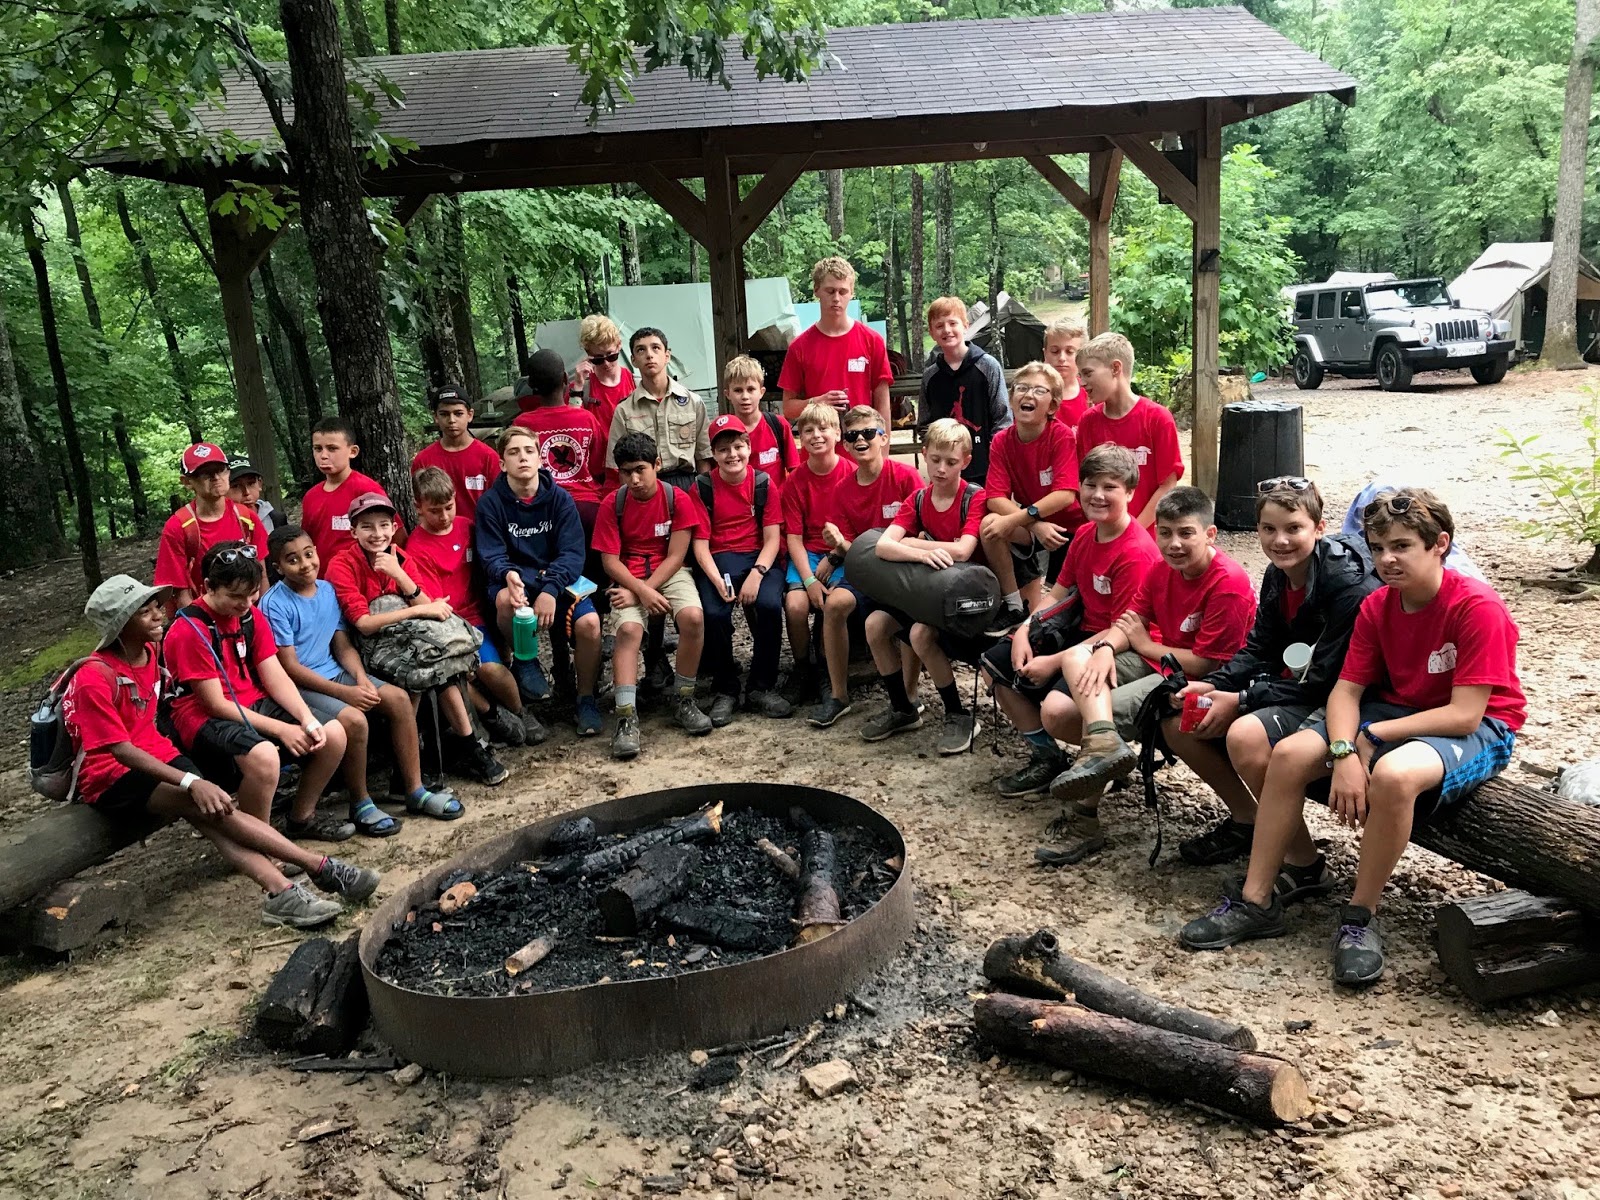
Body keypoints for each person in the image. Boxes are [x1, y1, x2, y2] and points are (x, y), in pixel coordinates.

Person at [1179, 488, 1526, 986]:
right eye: (1378, 547)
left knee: (1394, 773)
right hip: (1393, 707)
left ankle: (1359, 916)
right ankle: (1258, 900)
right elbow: (1345, 692)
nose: (1387, 559)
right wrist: (1343, 750)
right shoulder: (1378, 605)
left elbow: (1466, 714)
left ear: (1440, 545)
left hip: (1480, 723)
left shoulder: (1476, 606)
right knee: (1294, 751)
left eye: (1402, 546)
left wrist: (1372, 736)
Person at [64, 575, 378, 928]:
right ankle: (314, 869)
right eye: (144, 613)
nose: (158, 616)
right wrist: (189, 782)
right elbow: (118, 749)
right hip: (112, 773)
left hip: (157, 753)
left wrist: (189, 779)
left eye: (156, 608)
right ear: (119, 625)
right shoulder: (93, 677)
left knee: (215, 814)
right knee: (210, 807)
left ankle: (289, 888)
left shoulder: (150, 653)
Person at [1160, 478, 1378, 869]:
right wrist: (1216, 684)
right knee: (1178, 721)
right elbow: (1261, 646)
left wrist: (1241, 700)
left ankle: (1299, 860)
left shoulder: (1348, 587)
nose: (1280, 541)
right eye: (1269, 529)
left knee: (1247, 737)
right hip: (1294, 684)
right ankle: (1251, 820)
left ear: (1319, 527)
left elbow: (1326, 681)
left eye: (1293, 528)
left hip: (1345, 698)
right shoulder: (1279, 574)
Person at [1040, 486, 1256, 860]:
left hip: (1202, 680)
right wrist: (1107, 648)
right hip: (1162, 662)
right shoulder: (1162, 568)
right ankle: (1104, 742)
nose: (1174, 544)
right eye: (1166, 533)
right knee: (1078, 658)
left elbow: (1209, 663)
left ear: (1210, 534)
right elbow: (1133, 619)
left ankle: (1085, 815)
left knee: (1083, 717)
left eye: (1186, 533)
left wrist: (1144, 645)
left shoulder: (1229, 583)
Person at [980, 445, 1162, 814]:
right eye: (1090, 484)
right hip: (1080, 630)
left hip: (1120, 644)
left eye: (1110, 487)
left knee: (1057, 710)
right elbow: (1058, 593)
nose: (1097, 494)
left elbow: (1122, 629)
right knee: (995, 664)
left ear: (1129, 493)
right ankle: (1049, 759)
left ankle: (1100, 759)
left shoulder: (1136, 551)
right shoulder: (1084, 535)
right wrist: (1025, 629)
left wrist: (1054, 662)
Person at [262, 524, 464, 830]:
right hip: (299, 686)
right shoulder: (275, 605)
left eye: (309, 554)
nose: (305, 565)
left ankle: (414, 788)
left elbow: (341, 644)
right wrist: (345, 694)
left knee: (396, 697)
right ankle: (361, 802)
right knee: (355, 719)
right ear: (278, 567)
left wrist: (360, 678)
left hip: (335, 672)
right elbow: (289, 668)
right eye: (293, 560)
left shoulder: (327, 590)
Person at [162, 541, 355, 843]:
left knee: (333, 734)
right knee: (264, 757)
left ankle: (301, 817)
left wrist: (306, 719)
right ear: (208, 586)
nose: (245, 604)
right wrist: (282, 730)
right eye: (235, 596)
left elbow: (274, 674)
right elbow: (214, 704)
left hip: (250, 700)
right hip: (202, 715)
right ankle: (261, 844)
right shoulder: (190, 629)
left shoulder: (250, 615)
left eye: (251, 594)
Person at [324, 492, 507, 788]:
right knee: (424, 672)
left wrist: (398, 573)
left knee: (436, 668)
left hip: (408, 640)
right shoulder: (342, 565)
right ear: (353, 531)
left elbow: (426, 605)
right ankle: (418, 760)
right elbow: (364, 624)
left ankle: (467, 747)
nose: (377, 534)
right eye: (367, 527)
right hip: (366, 645)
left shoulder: (400, 557)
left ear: (394, 527)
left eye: (384, 525)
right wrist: (420, 608)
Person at [864, 419, 988, 754]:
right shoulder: (918, 499)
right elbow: (883, 546)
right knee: (875, 624)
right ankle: (904, 708)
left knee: (920, 633)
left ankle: (958, 714)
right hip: (927, 589)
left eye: (950, 462)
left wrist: (920, 544)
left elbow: (963, 551)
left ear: (965, 461)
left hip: (965, 597)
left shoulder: (974, 497)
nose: (941, 469)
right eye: (935, 460)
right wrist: (924, 552)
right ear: (923, 455)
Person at [475, 426, 604, 733]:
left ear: (540, 459)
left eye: (529, 451)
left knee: (590, 624)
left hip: (556, 582)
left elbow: (572, 554)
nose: (523, 458)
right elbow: (491, 556)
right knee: (507, 601)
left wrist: (549, 589)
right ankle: (526, 660)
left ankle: (585, 698)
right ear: (503, 462)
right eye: (514, 452)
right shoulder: (491, 504)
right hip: (514, 583)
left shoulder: (559, 499)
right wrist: (509, 575)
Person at [596, 431, 713, 757]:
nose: (633, 479)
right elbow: (610, 561)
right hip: (630, 576)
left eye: (640, 469)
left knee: (692, 617)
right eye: (626, 471)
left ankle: (684, 697)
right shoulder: (613, 504)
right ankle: (625, 716)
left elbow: (677, 556)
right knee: (629, 630)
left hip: (669, 572)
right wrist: (639, 591)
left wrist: (644, 591)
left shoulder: (677, 499)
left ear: (657, 464)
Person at [809, 405, 924, 729]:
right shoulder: (843, 490)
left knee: (906, 609)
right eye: (852, 435)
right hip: (864, 570)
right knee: (835, 605)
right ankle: (838, 695)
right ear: (844, 444)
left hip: (903, 570)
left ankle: (910, 694)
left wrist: (841, 550)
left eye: (868, 433)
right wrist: (837, 548)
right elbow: (849, 549)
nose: (861, 440)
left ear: (883, 436)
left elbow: (919, 534)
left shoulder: (906, 477)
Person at [407, 467, 539, 747]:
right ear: (418, 507)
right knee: (480, 669)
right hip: (455, 622)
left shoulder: (468, 526)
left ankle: (519, 710)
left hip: (485, 610)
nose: (443, 517)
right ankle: (501, 716)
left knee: (493, 666)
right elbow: (434, 602)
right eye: (434, 511)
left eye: (448, 507)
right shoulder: (417, 547)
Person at [690, 414, 792, 726]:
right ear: (714, 454)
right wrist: (715, 580)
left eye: (738, 446)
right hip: (718, 560)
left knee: (769, 605)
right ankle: (726, 689)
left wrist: (758, 572)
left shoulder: (763, 483)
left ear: (748, 447)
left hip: (759, 557)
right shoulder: (703, 487)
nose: (732, 455)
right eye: (723, 450)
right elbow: (700, 544)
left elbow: (773, 537)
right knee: (714, 613)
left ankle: (761, 686)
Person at [978, 362, 1081, 631]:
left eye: (1039, 390)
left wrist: (1028, 517)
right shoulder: (1001, 440)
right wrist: (1033, 524)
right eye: (1021, 388)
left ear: (1053, 406)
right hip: (1035, 526)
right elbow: (994, 498)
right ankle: (1013, 604)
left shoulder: (1060, 436)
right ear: (1011, 399)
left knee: (1061, 610)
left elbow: (1066, 495)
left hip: (1071, 528)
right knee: (990, 524)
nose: (1028, 395)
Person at [512, 348, 609, 595]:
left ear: (532, 386)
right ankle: (593, 624)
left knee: (552, 578)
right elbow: (598, 466)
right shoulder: (586, 420)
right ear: (566, 381)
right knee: (590, 578)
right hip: (587, 509)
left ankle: (557, 628)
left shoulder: (522, 425)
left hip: (542, 511)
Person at [782, 401, 857, 700]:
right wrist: (810, 581)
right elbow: (794, 538)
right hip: (807, 554)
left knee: (831, 605)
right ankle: (803, 668)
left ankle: (828, 669)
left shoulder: (852, 474)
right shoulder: (795, 482)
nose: (816, 435)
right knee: (797, 606)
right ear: (800, 438)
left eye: (824, 428)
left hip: (842, 553)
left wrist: (833, 557)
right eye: (808, 430)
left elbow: (857, 532)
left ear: (838, 434)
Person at [1075, 333, 1183, 531]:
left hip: (1147, 537)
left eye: (1088, 373)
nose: (1082, 383)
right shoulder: (1088, 421)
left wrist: (1133, 532)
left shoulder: (1157, 418)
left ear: (1116, 368)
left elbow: (1168, 484)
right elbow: (1085, 482)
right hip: (1102, 533)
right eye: (1080, 376)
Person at [778, 257, 894, 428]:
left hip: (861, 446)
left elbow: (883, 403)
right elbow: (788, 408)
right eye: (830, 291)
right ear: (816, 290)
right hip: (819, 446)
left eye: (843, 292)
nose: (836, 298)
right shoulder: (800, 346)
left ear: (852, 292)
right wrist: (817, 402)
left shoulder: (872, 340)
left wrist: (883, 451)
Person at [154, 444, 269, 610]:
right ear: (187, 482)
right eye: (205, 473)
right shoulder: (179, 526)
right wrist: (199, 627)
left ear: (228, 472)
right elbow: (180, 592)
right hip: (205, 616)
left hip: (247, 611)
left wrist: (261, 617)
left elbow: (262, 574)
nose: (216, 477)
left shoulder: (245, 517)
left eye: (220, 470)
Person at [918, 296, 1010, 484]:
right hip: (944, 473)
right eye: (940, 325)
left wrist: (995, 457)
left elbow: (1002, 418)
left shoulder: (988, 366)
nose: (947, 330)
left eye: (953, 323)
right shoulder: (930, 376)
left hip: (985, 467)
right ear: (932, 332)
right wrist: (935, 457)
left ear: (966, 325)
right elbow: (925, 423)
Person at [607, 327, 711, 491]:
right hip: (646, 487)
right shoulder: (624, 410)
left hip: (688, 483)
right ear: (633, 360)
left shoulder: (693, 402)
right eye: (641, 349)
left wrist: (705, 494)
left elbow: (704, 456)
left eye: (655, 348)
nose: (649, 355)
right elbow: (618, 466)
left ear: (667, 355)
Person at [301, 416, 389, 573]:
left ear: (352, 451)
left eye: (332, 448)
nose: (324, 455)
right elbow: (306, 542)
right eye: (318, 449)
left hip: (359, 579)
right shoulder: (310, 497)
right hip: (322, 583)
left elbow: (394, 535)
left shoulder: (367, 489)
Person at [409, 382, 501, 520]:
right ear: (436, 417)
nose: (451, 420)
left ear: (469, 415)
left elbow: (500, 503)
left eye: (458, 414)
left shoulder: (488, 457)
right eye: (444, 414)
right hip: (440, 536)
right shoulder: (423, 460)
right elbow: (419, 505)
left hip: (482, 535)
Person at [571, 313, 636, 480]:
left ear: (619, 345)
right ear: (588, 354)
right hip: (598, 473)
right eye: (598, 359)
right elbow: (572, 428)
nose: (606, 363)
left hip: (631, 468)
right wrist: (577, 386)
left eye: (611, 356)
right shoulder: (582, 387)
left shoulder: (634, 381)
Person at [722, 354, 798, 482]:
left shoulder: (778, 425)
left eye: (751, 389)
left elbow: (795, 472)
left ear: (762, 392)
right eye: (738, 390)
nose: (745, 396)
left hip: (775, 500)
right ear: (727, 394)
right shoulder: (722, 431)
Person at [1043, 318, 1090, 429]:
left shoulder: (1091, 394)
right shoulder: (1032, 394)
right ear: (1045, 353)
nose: (1061, 358)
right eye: (1055, 351)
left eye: (1070, 352)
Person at [227, 458, 288, 534]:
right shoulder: (219, 524)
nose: (246, 492)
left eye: (251, 483)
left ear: (260, 484)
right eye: (236, 486)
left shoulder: (276, 519)